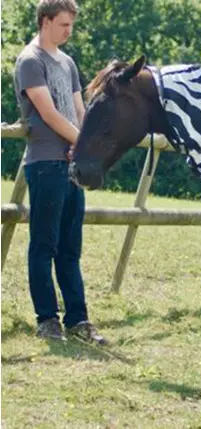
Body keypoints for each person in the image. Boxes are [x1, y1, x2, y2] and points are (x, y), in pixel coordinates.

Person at [13, 0, 107, 344]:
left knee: (70, 247)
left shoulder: (67, 62)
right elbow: (49, 114)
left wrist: (84, 148)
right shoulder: (30, 61)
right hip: (46, 163)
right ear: (45, 21)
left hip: (71, 165)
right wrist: (81, 144)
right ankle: (47, 319)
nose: (69, 31)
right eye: (64, 24)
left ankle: (78, 320)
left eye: (71, 25)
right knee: (44, 245)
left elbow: (79, 110)